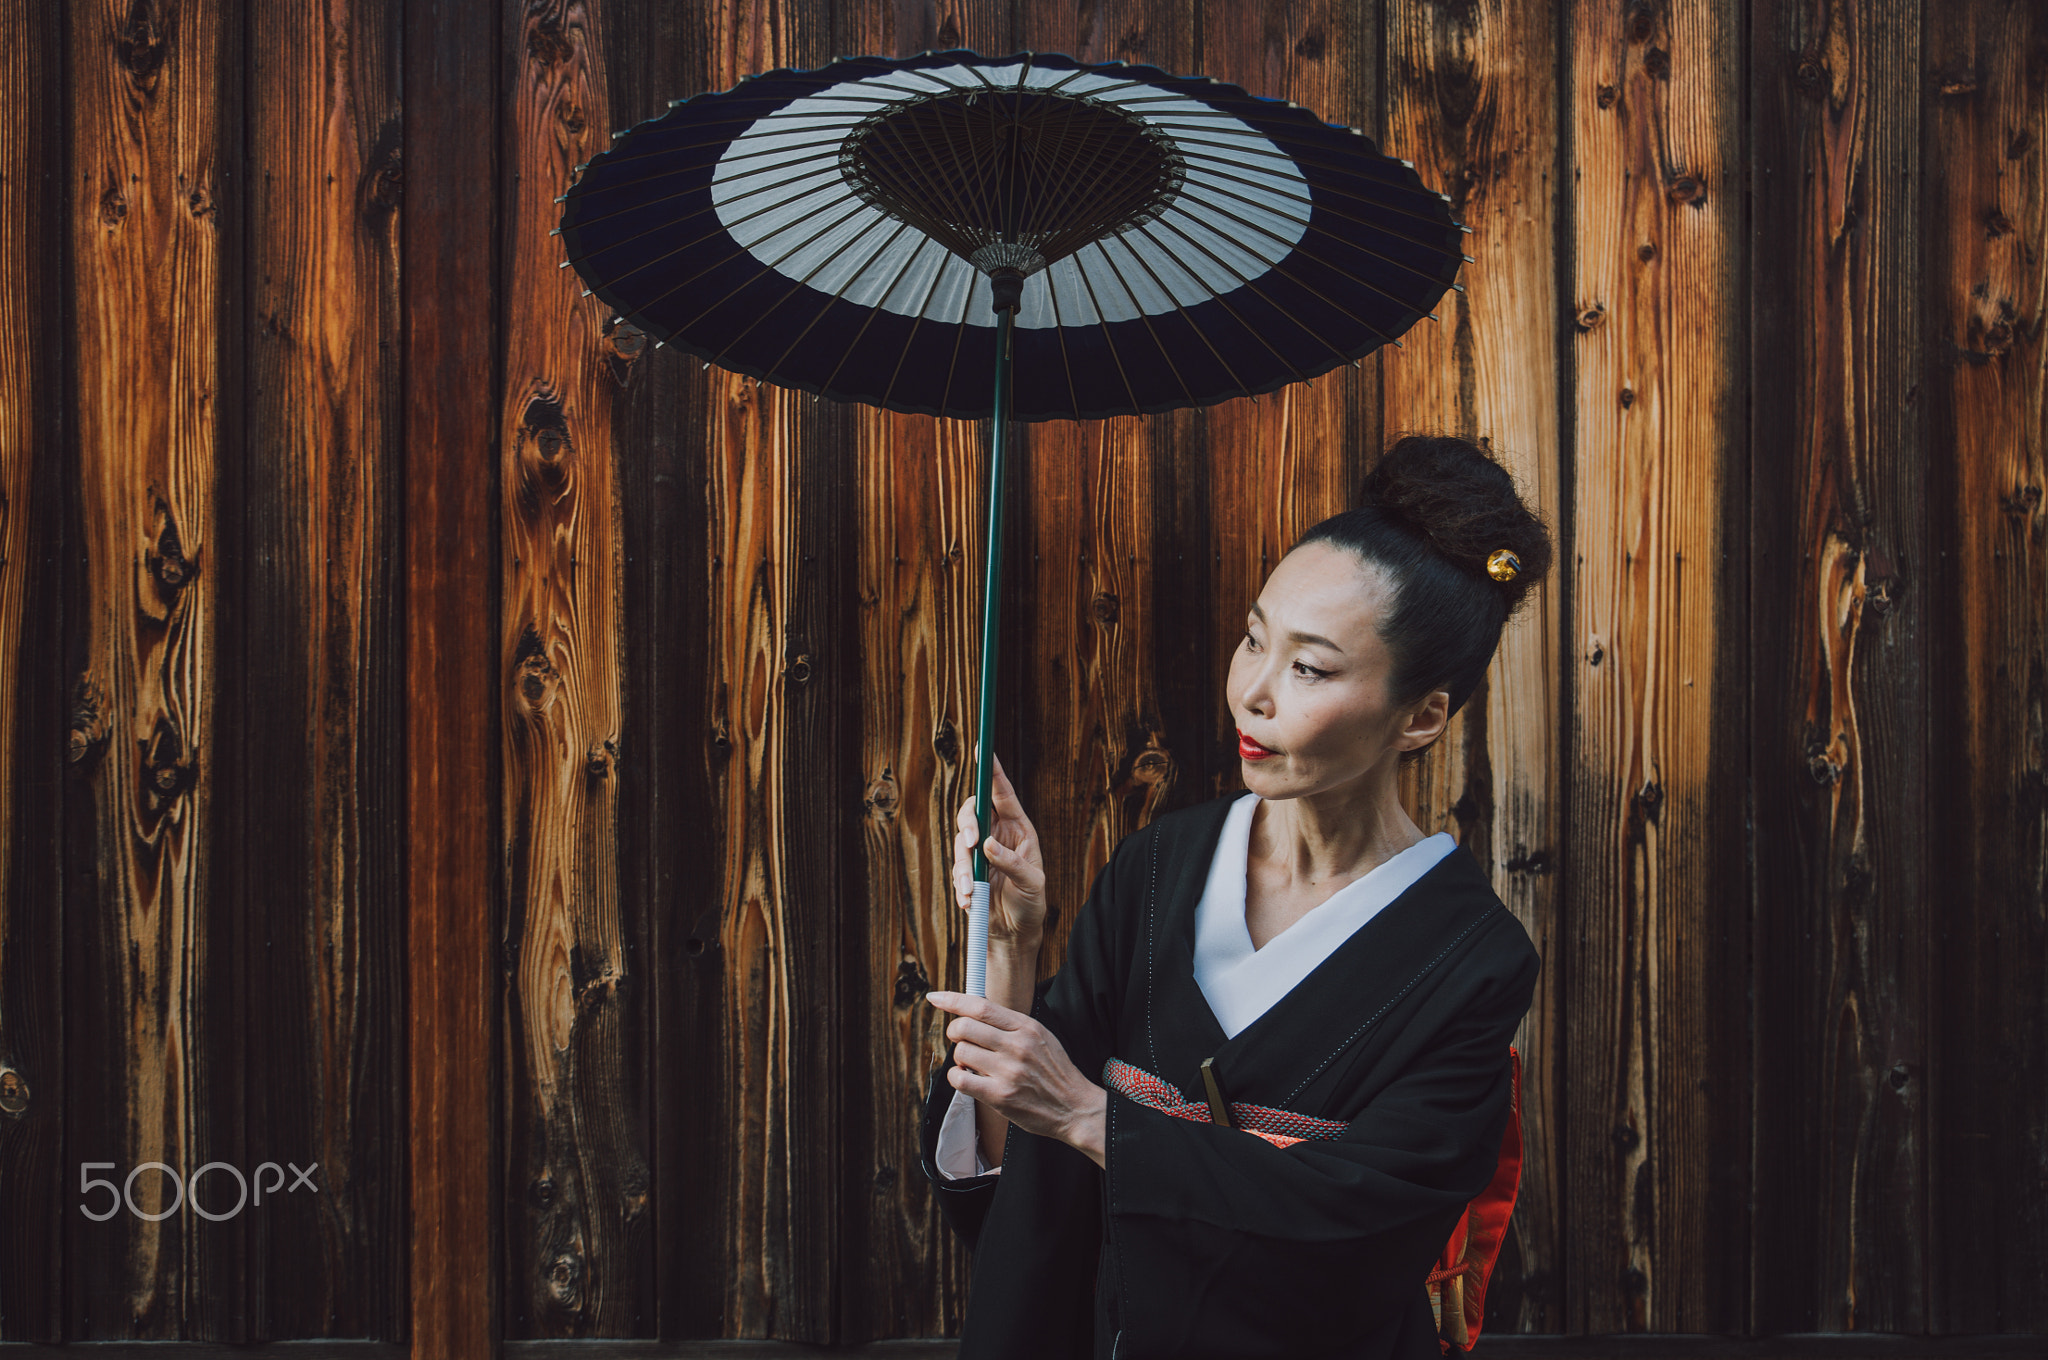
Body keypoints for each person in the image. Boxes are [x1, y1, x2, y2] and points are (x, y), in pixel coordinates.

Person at [919, 434, 1552, 1359]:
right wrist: (1013, 947)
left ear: (1421, 717)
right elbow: (1023, 1182)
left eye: (1311, 668)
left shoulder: (1472, 958)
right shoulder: (1160, 863)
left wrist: (1099, 1119)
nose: (1252, 691)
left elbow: (1364, 1239)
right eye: (1256, 637)